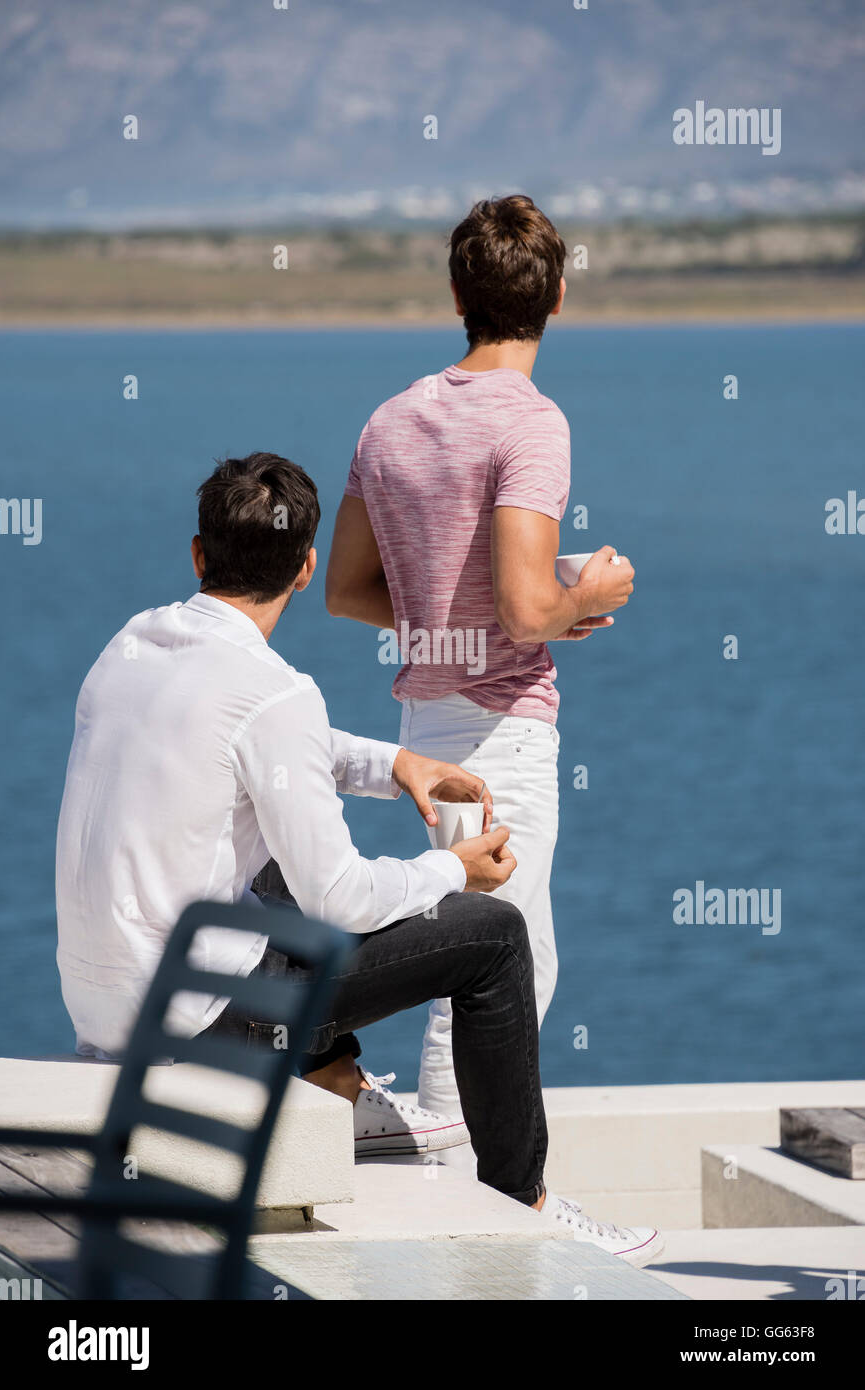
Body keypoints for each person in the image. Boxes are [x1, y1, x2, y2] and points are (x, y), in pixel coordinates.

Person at [55, 451, 660, 1264]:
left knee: (261, 843)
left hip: (103, 1015)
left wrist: (395, 765)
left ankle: (339, 1087)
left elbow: (256, 744)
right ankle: (525, 1202)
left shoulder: (130, 646)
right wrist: (454, 871)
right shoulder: (274, 691)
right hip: (200, 1022)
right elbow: (338, 896)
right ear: (306, 569)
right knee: (492, 936)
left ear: (198, 555)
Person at [326, 194, 635, 1135]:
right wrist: (591, 594)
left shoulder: (390, 420)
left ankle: (481, 1175)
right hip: (502, 731)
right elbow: (522, 605)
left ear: (458, 290)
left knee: (524, 951)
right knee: (490, 960)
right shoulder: (533, 424)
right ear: (559, 294)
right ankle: (473, 1189)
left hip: (429, 722)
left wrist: (451, 619)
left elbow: (344, 588)